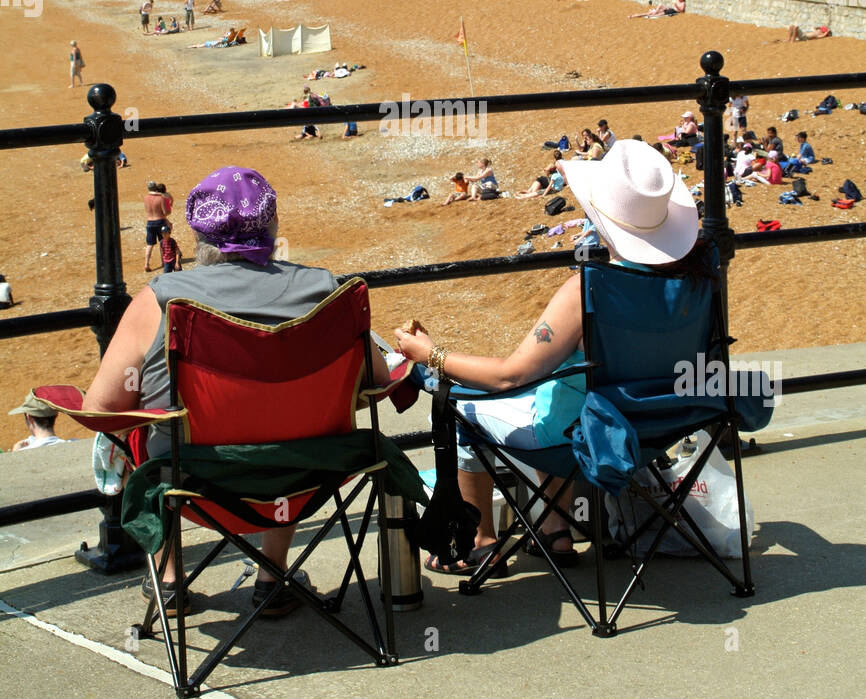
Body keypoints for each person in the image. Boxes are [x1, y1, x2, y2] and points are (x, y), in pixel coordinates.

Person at [83, 167, 391, 615]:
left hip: (193, 483)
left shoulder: (163, 298)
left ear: (196, 231)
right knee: (283, 419)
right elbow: (380, 383)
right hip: (311, 475)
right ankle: (272, 576)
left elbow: (102, 409)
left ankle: (169, 580)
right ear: (273, 225)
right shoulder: (327, 290)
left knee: (131, 437)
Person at [394, 140, 705, 573]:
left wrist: (431, 354)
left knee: (462, 404)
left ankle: (479, 542)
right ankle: (555, 530)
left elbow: (509, 376)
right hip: (657, 426)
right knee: (559, 388)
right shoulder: (698, 283)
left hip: (584, 438)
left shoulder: (590, 291)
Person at [144, 181, 170, 272]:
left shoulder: (146, 198)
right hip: (159, 221)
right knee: (162, 242)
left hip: (149, 222)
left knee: (149, 244)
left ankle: (146, 263)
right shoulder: (160, 198)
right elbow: (165, 212)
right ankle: (163, 261)